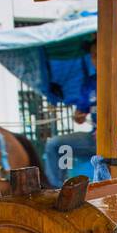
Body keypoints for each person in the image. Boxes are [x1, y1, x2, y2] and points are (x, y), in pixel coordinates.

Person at [42, 37, 100, 186]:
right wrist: (79, 116)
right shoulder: (91, 83)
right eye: (94, 56)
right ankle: (59, 187)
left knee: (56, 145)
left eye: (100, 55)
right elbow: (80, 113)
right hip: (94, 139)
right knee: (59, 146)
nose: (96, 59)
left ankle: (57, 188)